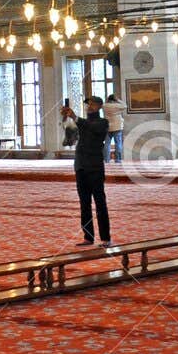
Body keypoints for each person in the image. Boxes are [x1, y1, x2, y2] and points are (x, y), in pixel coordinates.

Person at [73, 96, 111, 245]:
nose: (90, 106)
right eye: (88, 104)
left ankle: (106, 238)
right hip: (81, 167)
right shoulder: (83, 123)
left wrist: (75, 117)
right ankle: (88, 237)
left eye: (93, 104)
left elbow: (92, 127)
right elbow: (71, 129)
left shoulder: (103, 123)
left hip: (95, 168)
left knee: (100, 203)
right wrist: (67, 118)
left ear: (100, 106)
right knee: (84, 204)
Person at [104, 93, 126, 162]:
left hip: (107, 126)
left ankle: (107, 160)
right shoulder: (117, 105)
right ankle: (118, 160)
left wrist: (107, 100)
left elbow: (105, 103)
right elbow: (125, 106)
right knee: (118, 143)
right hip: (117, 126)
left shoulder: (105, 105)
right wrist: (118, 100)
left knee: (107, 143)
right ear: (114, 100)